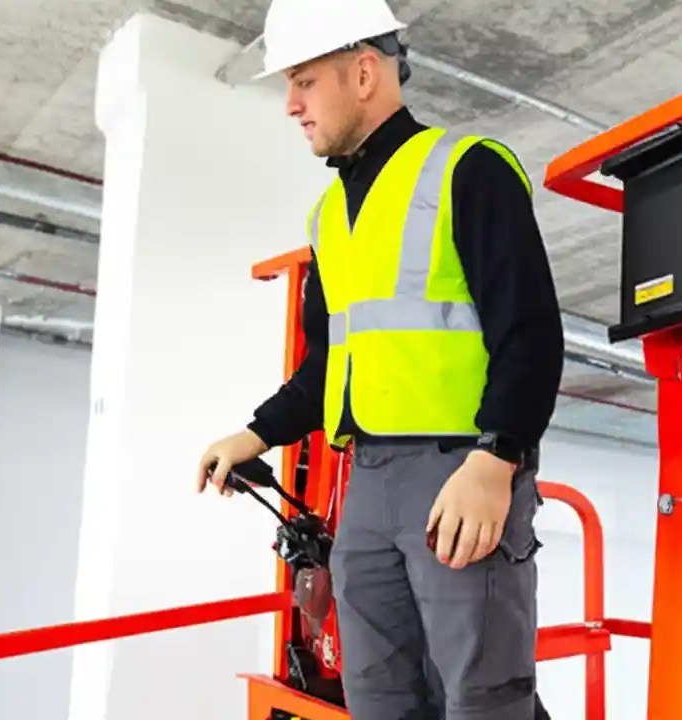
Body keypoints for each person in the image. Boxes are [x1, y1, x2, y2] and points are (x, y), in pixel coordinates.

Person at [196, 0, 564, 718]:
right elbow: (327, 366)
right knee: (378, 694)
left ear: (363, 72)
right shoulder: (328, 219)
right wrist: (256, 433)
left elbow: (530, 332)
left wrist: (497, 461)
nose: (291, 105)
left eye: (302, 81)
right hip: (366, 486)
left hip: (460, 472)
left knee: (481, 696)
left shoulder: (467, 170)